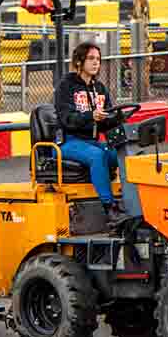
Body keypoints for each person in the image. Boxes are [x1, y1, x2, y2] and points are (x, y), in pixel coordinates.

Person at [54, 41, 125, 224]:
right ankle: (109, 207)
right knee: (97, 156)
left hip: (90, 141)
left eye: (98, 60)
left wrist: (116, 118)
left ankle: (129, 200)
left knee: (121, 154)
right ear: (79, 62)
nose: (96, 63)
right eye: (91, 58)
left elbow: (106, 119)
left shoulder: (99, 89)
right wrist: (90, 116)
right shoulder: (66, 86)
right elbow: (67, 119)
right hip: (66, 142)